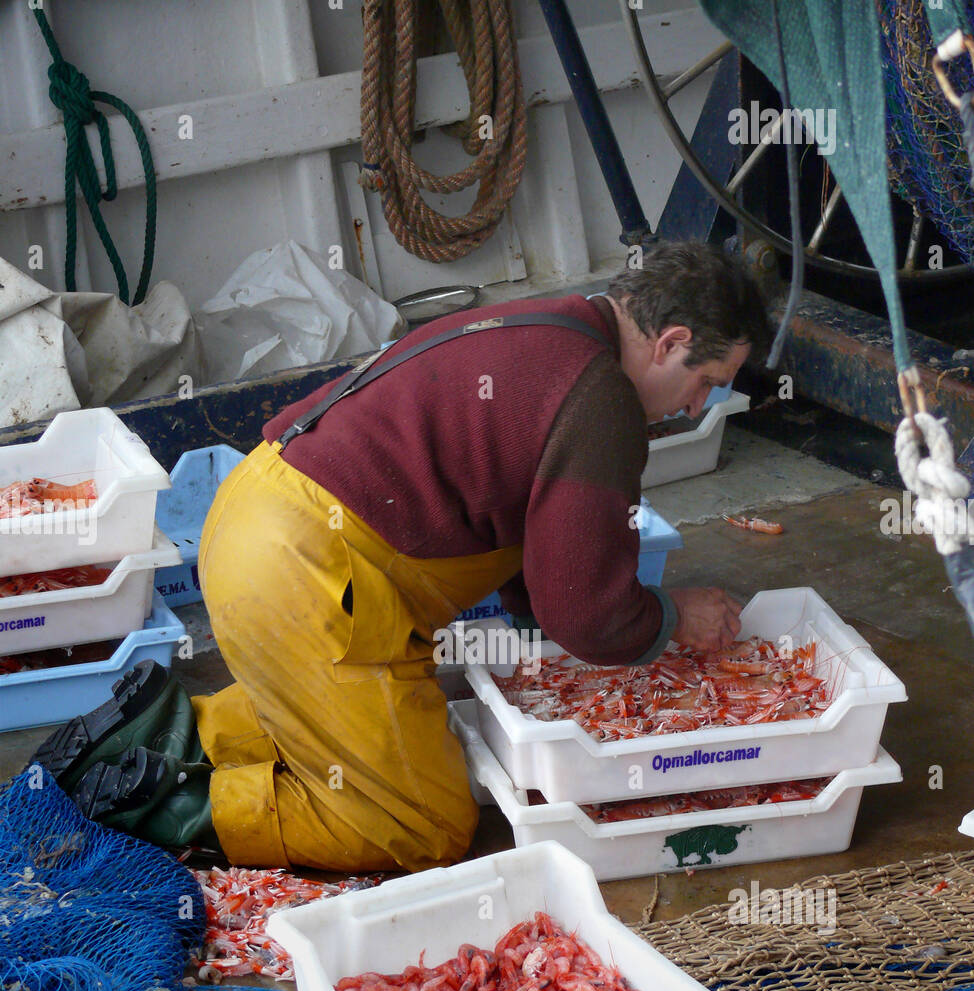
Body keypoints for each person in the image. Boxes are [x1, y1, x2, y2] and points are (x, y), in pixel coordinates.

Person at [33, 240, 771, 872]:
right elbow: (582, 607)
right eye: (705, 381)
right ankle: (174, 808)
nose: (699, 406)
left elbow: (530, 539)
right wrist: (671, 617)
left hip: (254, 509)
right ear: (670, 342)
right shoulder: (601, 399)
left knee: (334, 725)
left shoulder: (551, 325)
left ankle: (161, 733)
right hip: (309, 572)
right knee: (426, 824)